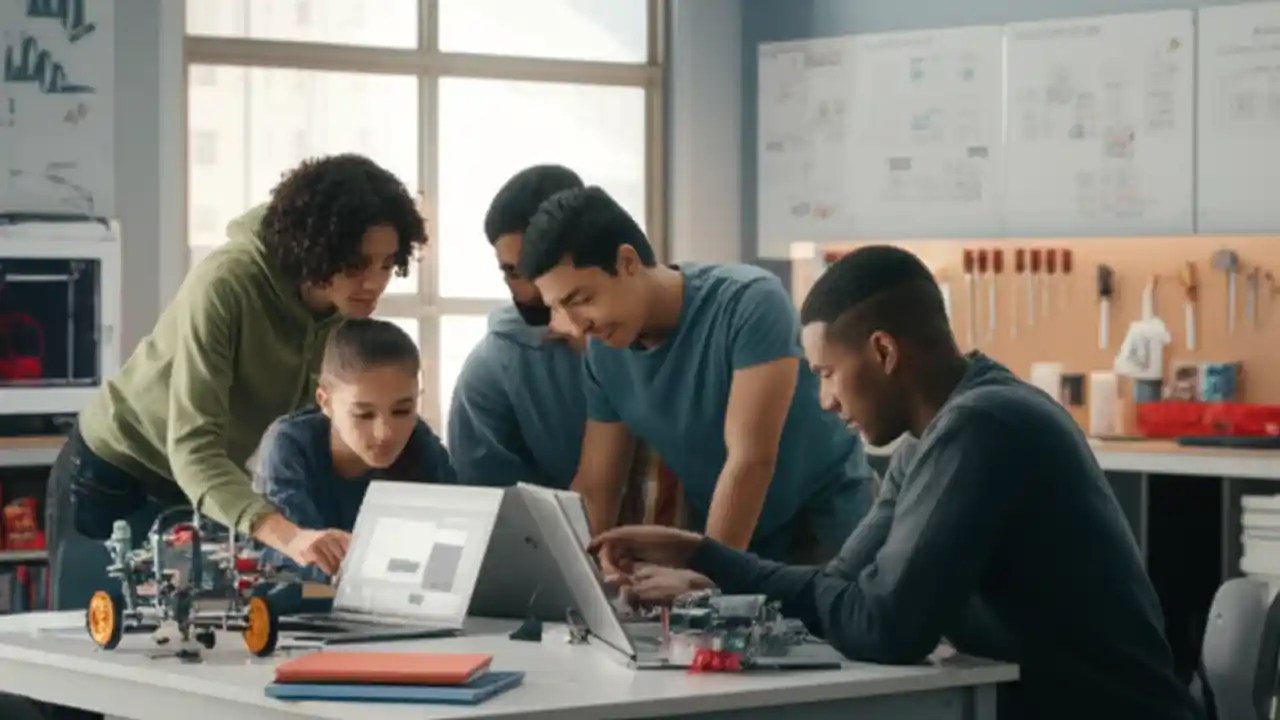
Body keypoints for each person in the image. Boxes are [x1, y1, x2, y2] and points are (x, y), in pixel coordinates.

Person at [589, 245, 1202, 720]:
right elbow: (841, 587)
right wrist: (706, 557)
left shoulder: (983, 428)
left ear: (882, 352)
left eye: (828, 374)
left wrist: (722, 573)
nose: (825, 401)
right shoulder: (932, 440)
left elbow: (886, 629)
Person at [46, 153, 427, 609]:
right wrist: (286, 534)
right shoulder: (226, 284)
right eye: (357, 265)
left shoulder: (341, 309)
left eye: (387, 264)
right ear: (317, 248)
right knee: (95, 645)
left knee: (189, 643)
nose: (375, 283)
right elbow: (191, 448)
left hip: (207, 489)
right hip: (115, 473)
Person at [518, 185, 874, 565]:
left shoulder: (751, 302)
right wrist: (574, 579)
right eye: (558, 307)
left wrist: (706, 581)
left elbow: (750, 460)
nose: (574, 327)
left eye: (582, 299)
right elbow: (596, 487)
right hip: (738, 535)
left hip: (827, 527)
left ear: (627, 262)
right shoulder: (605, 352)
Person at [255, 318, 455, 581]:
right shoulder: (289, 446)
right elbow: (309, 565)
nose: (385, 433)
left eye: (402, 410)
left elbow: (453, 548)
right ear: (325, 402)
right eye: (364, 414)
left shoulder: (421, 444)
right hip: (303, 599)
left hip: (396, 602)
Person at [447, 164, 590, 489]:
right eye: (512, 272)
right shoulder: (491, 369)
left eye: (541, 265)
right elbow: (487, 507)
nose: (531, 288)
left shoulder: (647, 336)